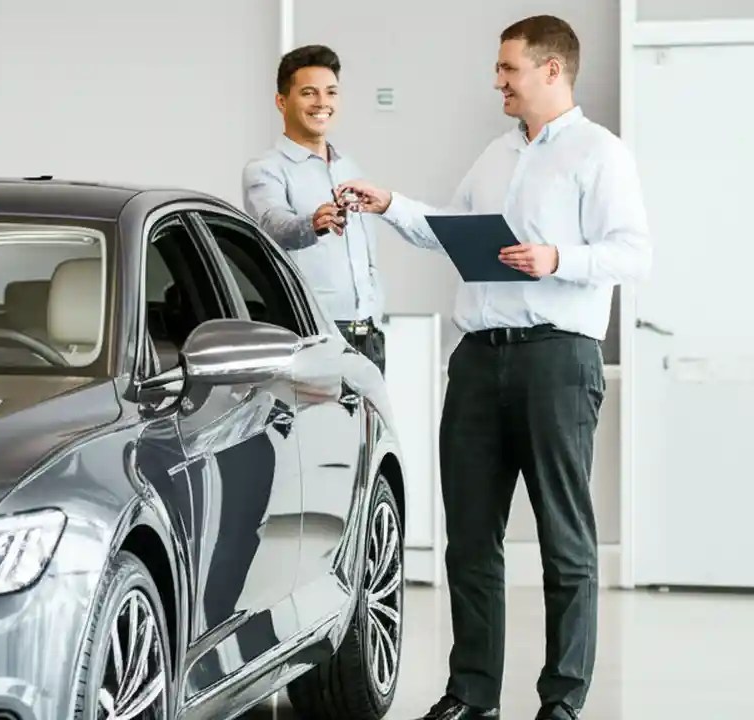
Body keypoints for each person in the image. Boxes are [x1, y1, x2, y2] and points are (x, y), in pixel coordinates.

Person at [337, 15, 651, 720]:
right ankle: (471, 695)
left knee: (563, 539)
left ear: (551, 70)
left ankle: (563, 700)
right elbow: (451, 226)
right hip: (478, 361)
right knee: (469, 539)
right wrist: (390, 205)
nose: (498, 80)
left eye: (509, 69)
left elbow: (635, 253)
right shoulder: (496, 155)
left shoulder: (600, 154)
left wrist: (558, 259)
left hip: (557, 361)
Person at [242, 44, 387, 373]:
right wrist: (312, 224)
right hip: (313, 336)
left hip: (368, 336)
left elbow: (365, 252)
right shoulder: (266, 169)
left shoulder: (349, 166)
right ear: (282, 102)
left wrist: (376, 307)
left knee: (371, 427)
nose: (322, 103)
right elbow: (273, 225)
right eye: (309, 93)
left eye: (331, 93)